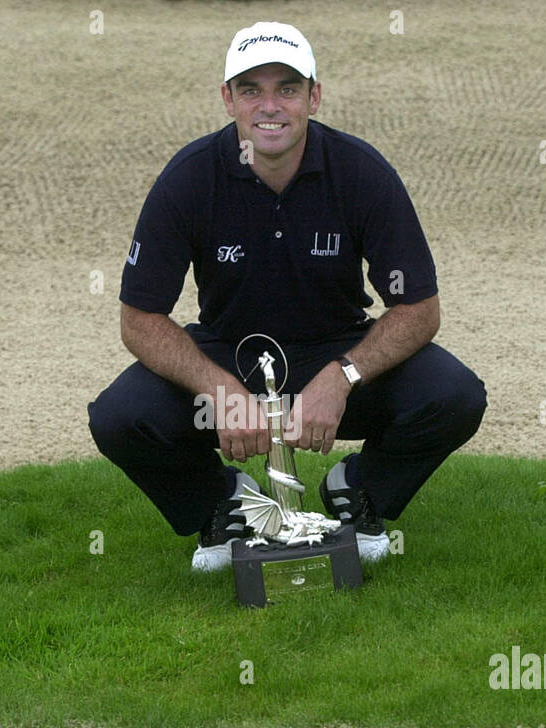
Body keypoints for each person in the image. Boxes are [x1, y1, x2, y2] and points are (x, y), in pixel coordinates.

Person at [88, 21, 487, 573]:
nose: (269, 106)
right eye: (251, 89)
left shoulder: (362, 173)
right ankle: (224, 505)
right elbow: (139, 320)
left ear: (314, 97)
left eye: (288, 89)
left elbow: (419, 308)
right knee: (120, 417)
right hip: (231, 351)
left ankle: (358, 492)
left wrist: (342, 377)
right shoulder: (188, 178)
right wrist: (220, 390)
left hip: (337, 346)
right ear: (228, 99)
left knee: (455, 395)